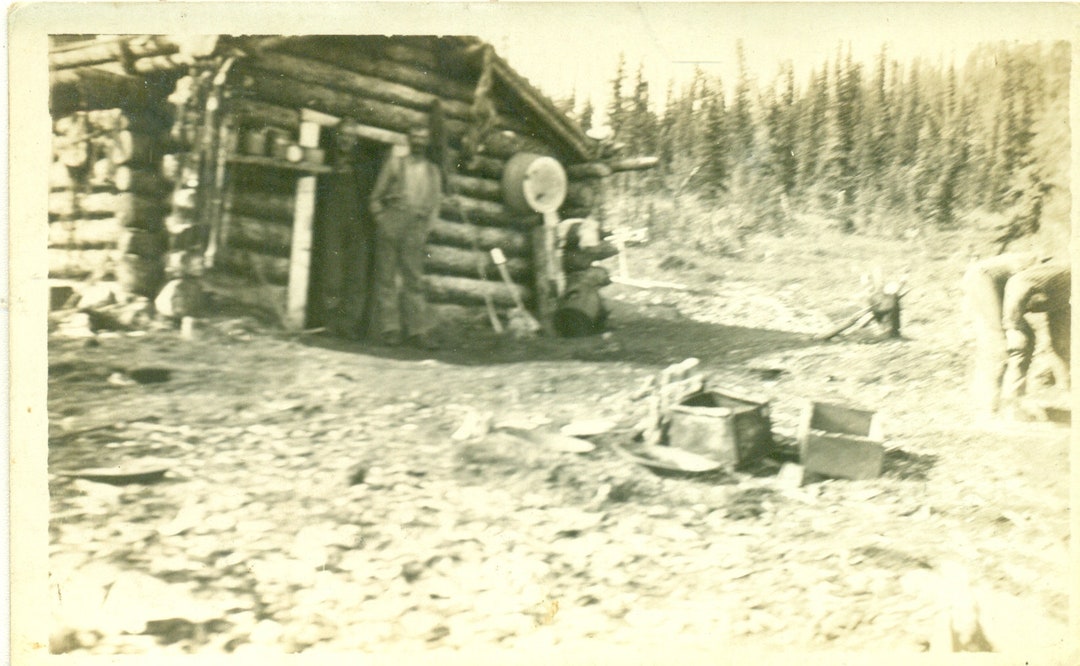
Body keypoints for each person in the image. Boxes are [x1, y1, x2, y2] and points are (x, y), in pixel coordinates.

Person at [962, 252, 1070, 420]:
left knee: (1022, 340)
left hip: (1009, 287)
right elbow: (1019, 282)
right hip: (985, 279)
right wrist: (1011, 324)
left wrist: (1066, 385)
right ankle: (993, 408)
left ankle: (1007, 404)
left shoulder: (1069, 293)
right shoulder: (1068, 272)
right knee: (1008, 342)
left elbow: (1059, 340)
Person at [369, 125, 443, 349]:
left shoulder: (433, 171)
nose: (419, 141)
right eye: (415, 137)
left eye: (423, 137)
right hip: (393, 221)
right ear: (408, 140)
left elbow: (436, 205)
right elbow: (375, 198)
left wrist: (426, 229)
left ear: (428, 142)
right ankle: (390, 329)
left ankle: (418, 331)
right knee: (386, 277)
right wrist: (382, 219)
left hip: (416, 228)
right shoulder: (395, 163)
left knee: (414, 280)